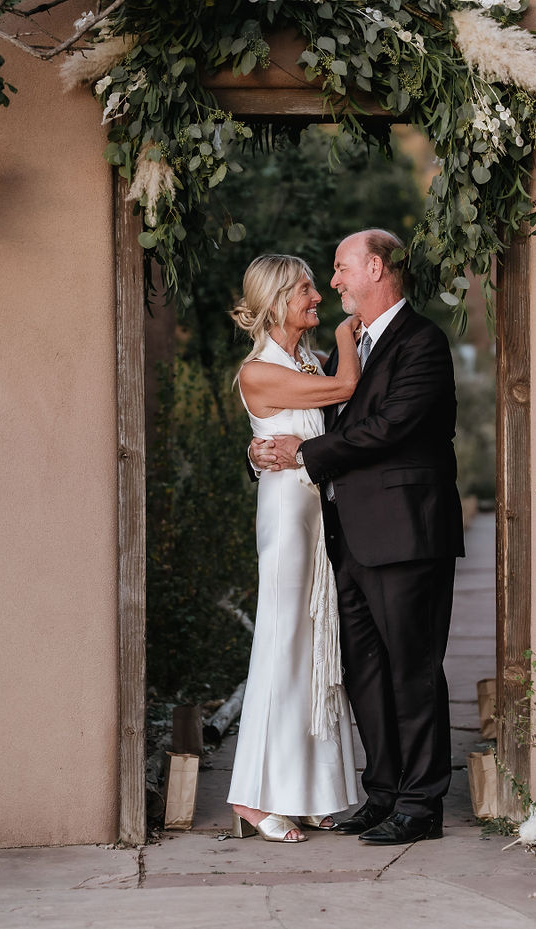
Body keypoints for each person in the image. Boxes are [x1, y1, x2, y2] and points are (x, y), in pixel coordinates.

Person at [252, 229, 463, 846]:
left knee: (413, 670)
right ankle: (384, 794)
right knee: (365, 672)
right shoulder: (347, 349)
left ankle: (422, 806)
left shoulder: (421, 342)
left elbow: (391, 427)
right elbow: (299, 419)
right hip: (346, 539)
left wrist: (307, 452)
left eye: (342, 268)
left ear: (375, 268)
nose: (334, 281)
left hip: (406, 535)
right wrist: (266, 451)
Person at [226, 254, 363, 843]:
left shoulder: (303, 360)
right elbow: (346, 387)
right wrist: (344, 335)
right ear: (279, 299)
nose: (317, 294)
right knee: (281, 645)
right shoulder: (259, 370)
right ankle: (253, 798)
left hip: (317, 516)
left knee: (315, 649)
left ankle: (309, 793)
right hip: (286, 519)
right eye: (306, 287)